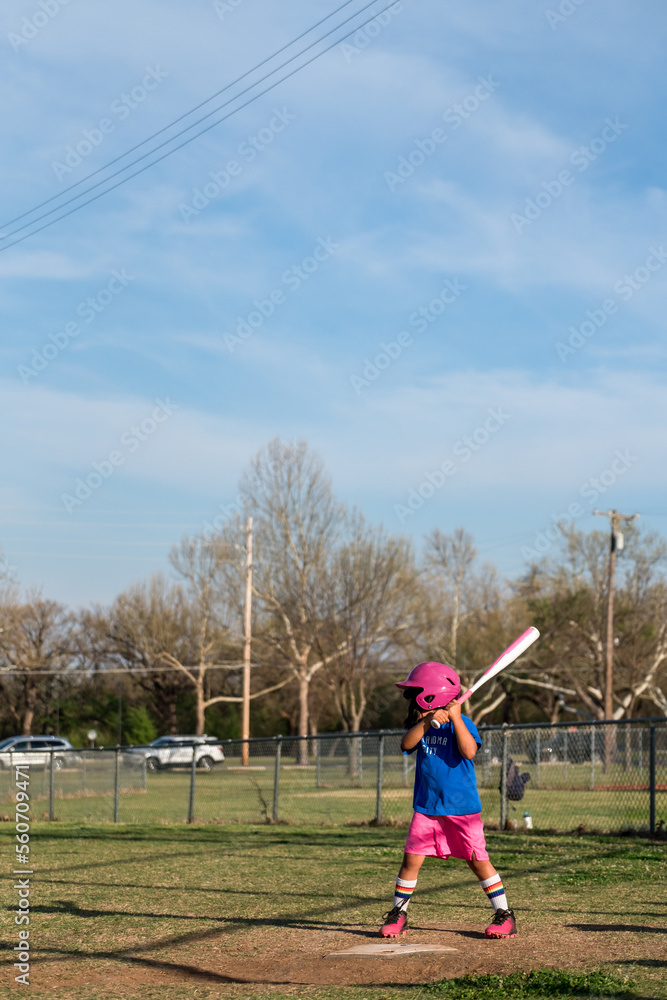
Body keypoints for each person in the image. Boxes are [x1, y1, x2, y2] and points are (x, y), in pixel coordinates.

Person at [379, 660, 516, 939]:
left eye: (416, 692)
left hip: (461, 810)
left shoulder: (462, 723)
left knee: (477, 861)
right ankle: (399, 914)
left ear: (434, 694)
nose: (411, 698)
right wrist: (428, 722)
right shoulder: (423, 724)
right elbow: (406, 744)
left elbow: (468, 752)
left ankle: (505, 915)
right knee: (410, 862)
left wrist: (455, 718)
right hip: (427, 809)